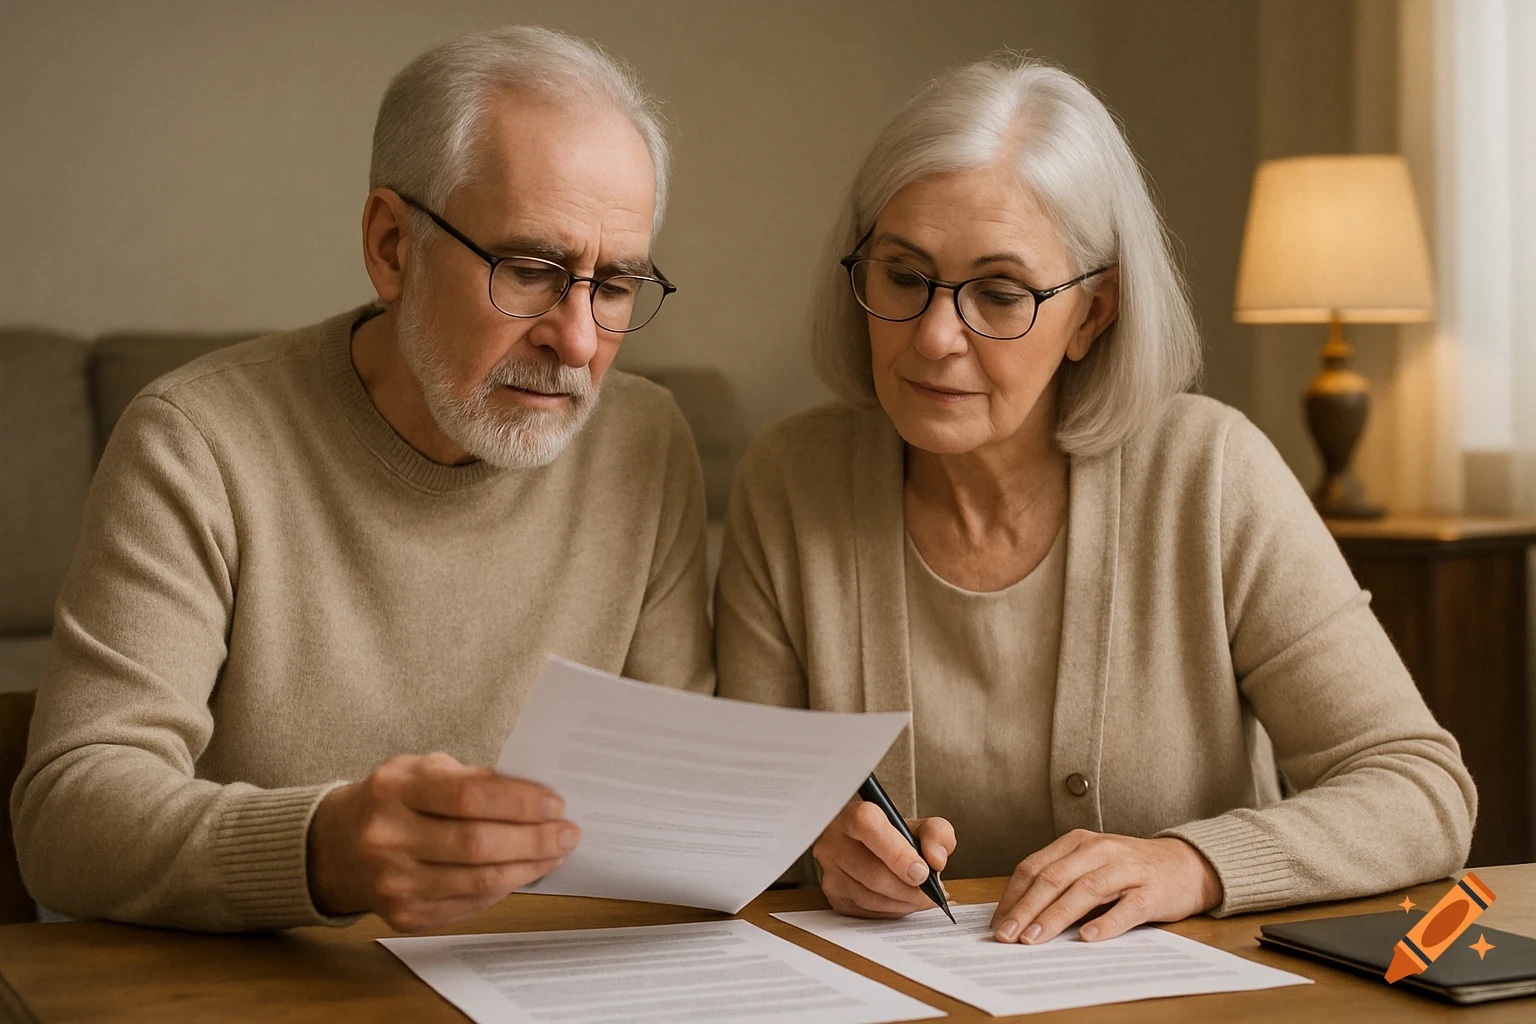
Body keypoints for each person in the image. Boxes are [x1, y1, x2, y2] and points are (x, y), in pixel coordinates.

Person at [715, 56, 1476, 946]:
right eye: (904, 276)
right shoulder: (791, 480)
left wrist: (1191, 864)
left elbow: (1420, 788)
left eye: (1000, 294)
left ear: (1094, 314)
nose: (933, 336)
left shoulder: (1209, 471)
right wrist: (814, 839)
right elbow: (746, 806)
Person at [14, 26, 713, 933]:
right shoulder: (197, 442)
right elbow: (66, 816)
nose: (577, 341)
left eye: (614, 286)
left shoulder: (646, 442)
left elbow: (677, 785)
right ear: (392, 246)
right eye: (530, 271)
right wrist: (322, 849)